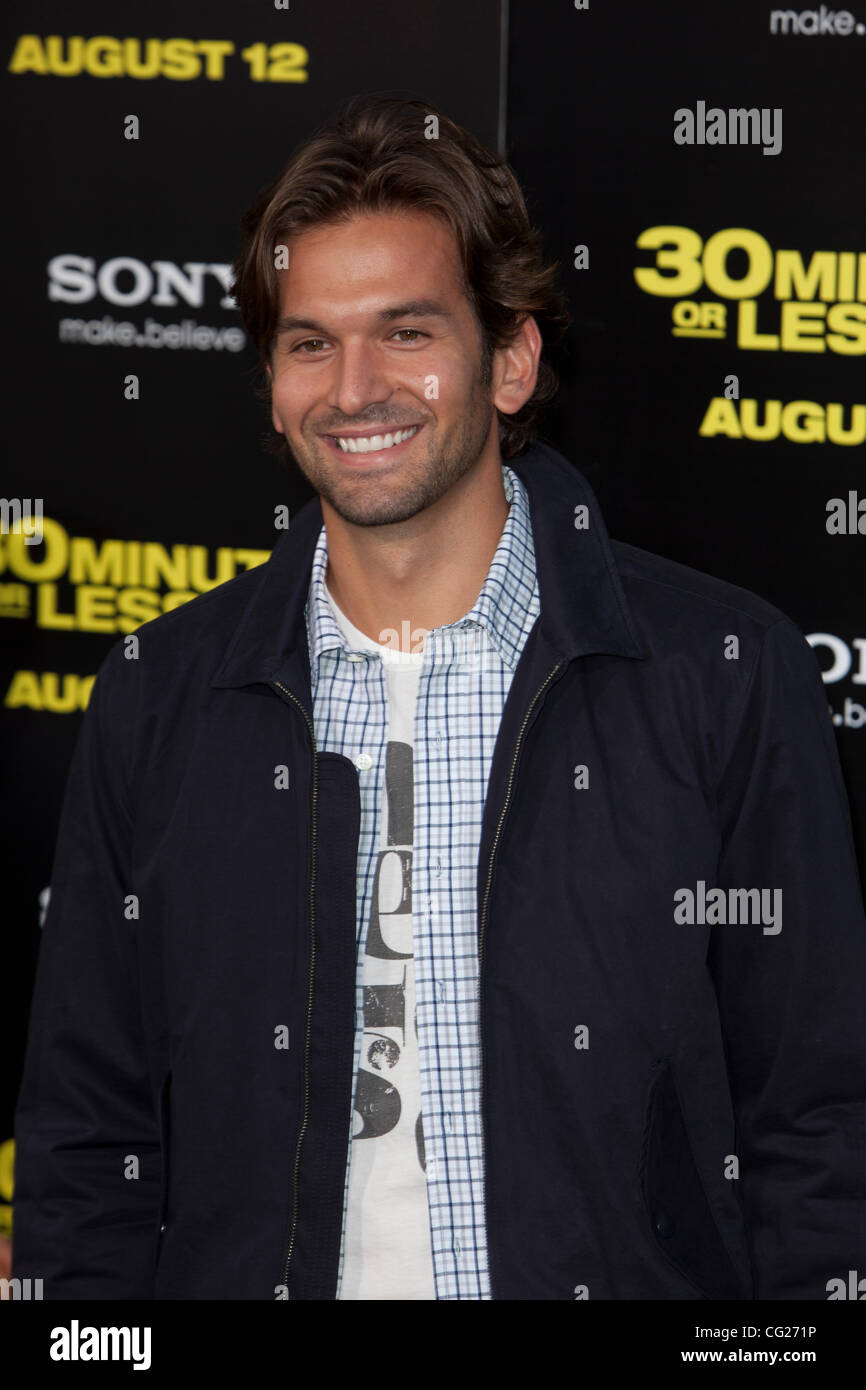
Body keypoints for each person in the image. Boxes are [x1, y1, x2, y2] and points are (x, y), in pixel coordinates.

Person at [12, 95, 866, 1301]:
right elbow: (83, 1140)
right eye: (309, 342)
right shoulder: (161, 700)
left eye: (405, 331)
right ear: (269, 381)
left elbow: (818, 1126)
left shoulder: (722, 676)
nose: (354, 387)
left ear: (510, 360)